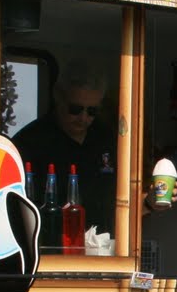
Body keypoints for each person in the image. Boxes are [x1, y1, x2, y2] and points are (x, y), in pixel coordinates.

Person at [10, 60, 116, 246]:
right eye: (75, 109)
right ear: (58, 98)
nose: (83, 118)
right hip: (49, 249)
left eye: (91, 111)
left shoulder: (107, 138)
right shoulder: (30, 142)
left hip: (103, 249)